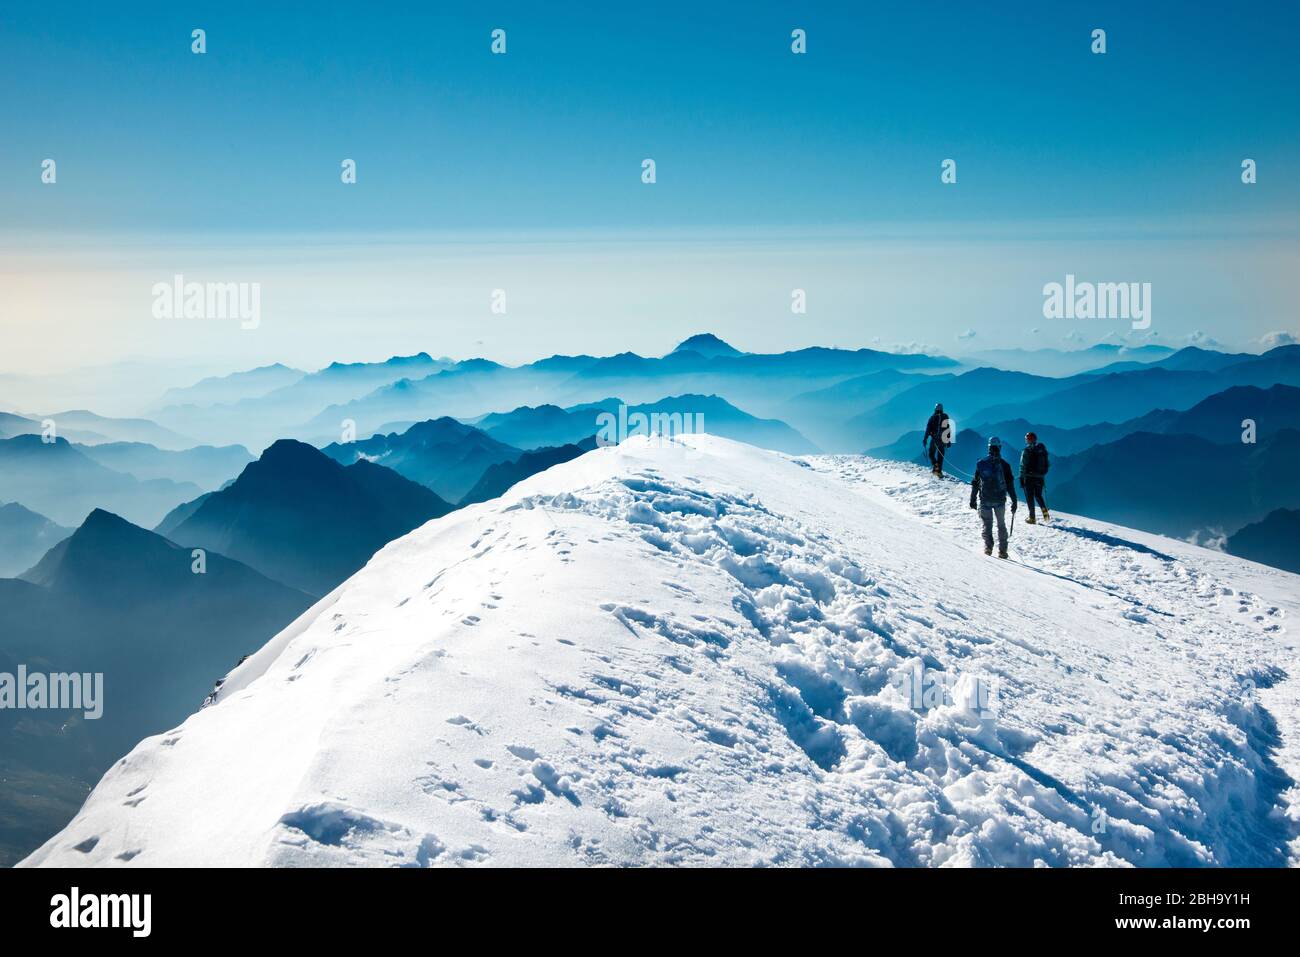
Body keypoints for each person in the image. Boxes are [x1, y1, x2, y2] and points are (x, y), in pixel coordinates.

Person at [969, 435, 1017, 558]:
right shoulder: (1005, 465)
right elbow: (1010, 485)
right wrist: (1014, 500)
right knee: (1001, 525)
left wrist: (972, 499)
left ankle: (988, 548)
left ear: (989, 448)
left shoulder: (981, 463)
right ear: (1000, 447)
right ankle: (1002, 551)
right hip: (1000, 500)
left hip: (985, 499)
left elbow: (976, 482)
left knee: (987, 524)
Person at [1019, 431, 1051, 524]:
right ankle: (1046, 515)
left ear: (1028, 440)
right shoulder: (1041, 450)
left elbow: (1022, 465)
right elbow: (1048, 464)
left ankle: (1032, 518)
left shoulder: (1026, 451)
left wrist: (1021, 477)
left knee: (1030, 497)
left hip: (1029, 477)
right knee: (1038, 496)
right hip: (1040, 477)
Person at [922, 403, 952, 476]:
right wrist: (948, 440)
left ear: (935, 409)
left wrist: (925, 439)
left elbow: (928, 429)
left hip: (935, 439)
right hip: (943, 439)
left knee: (931, 454)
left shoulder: (932, 418)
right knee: (940, 455)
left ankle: (936, 466)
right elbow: (948, 429)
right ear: (942, 409)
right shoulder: (945, 417)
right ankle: (939, 471)